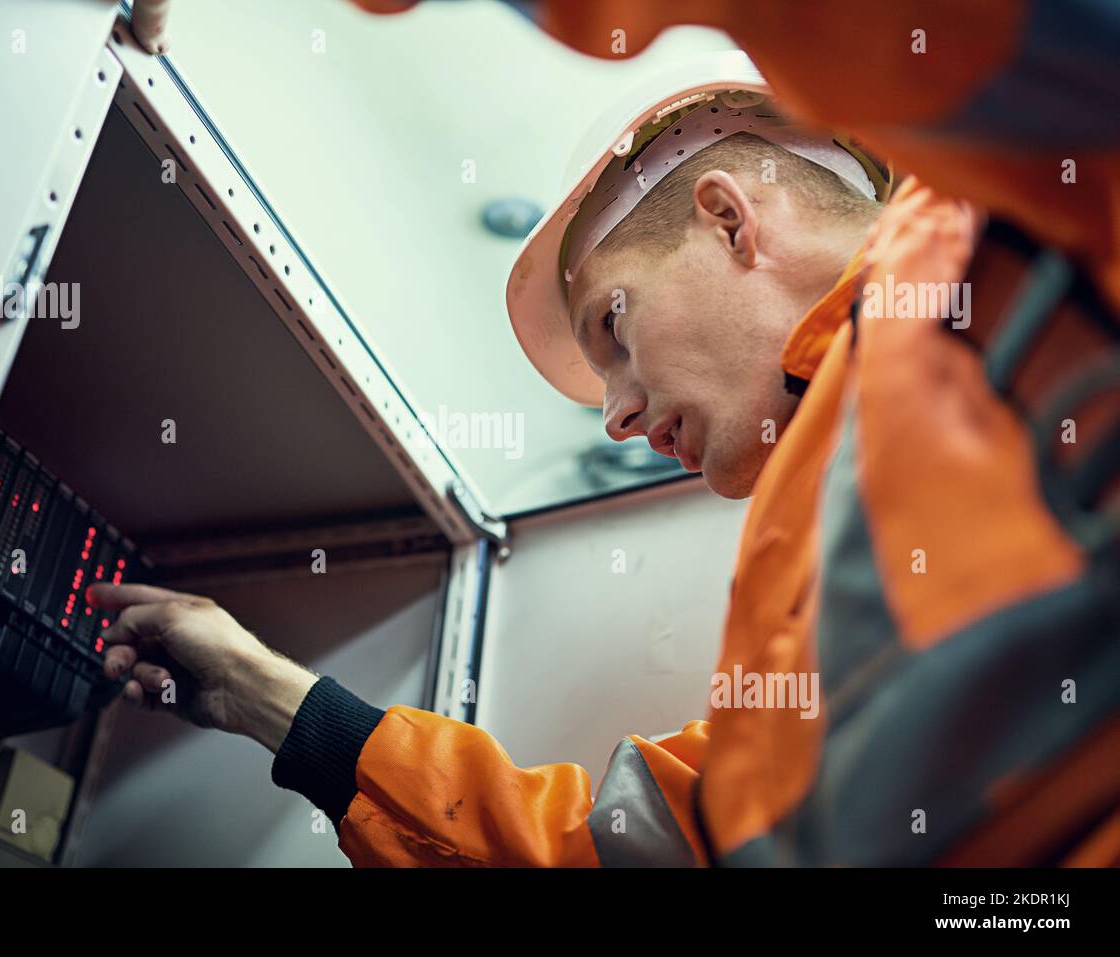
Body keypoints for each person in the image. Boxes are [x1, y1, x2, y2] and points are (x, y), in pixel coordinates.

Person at [100, 1, 1120, 865]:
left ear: (729, 219)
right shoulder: (809, 581)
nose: (620, 415)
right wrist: (263, 692)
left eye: (613, 329)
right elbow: (625, 854)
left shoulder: (1014, 210)